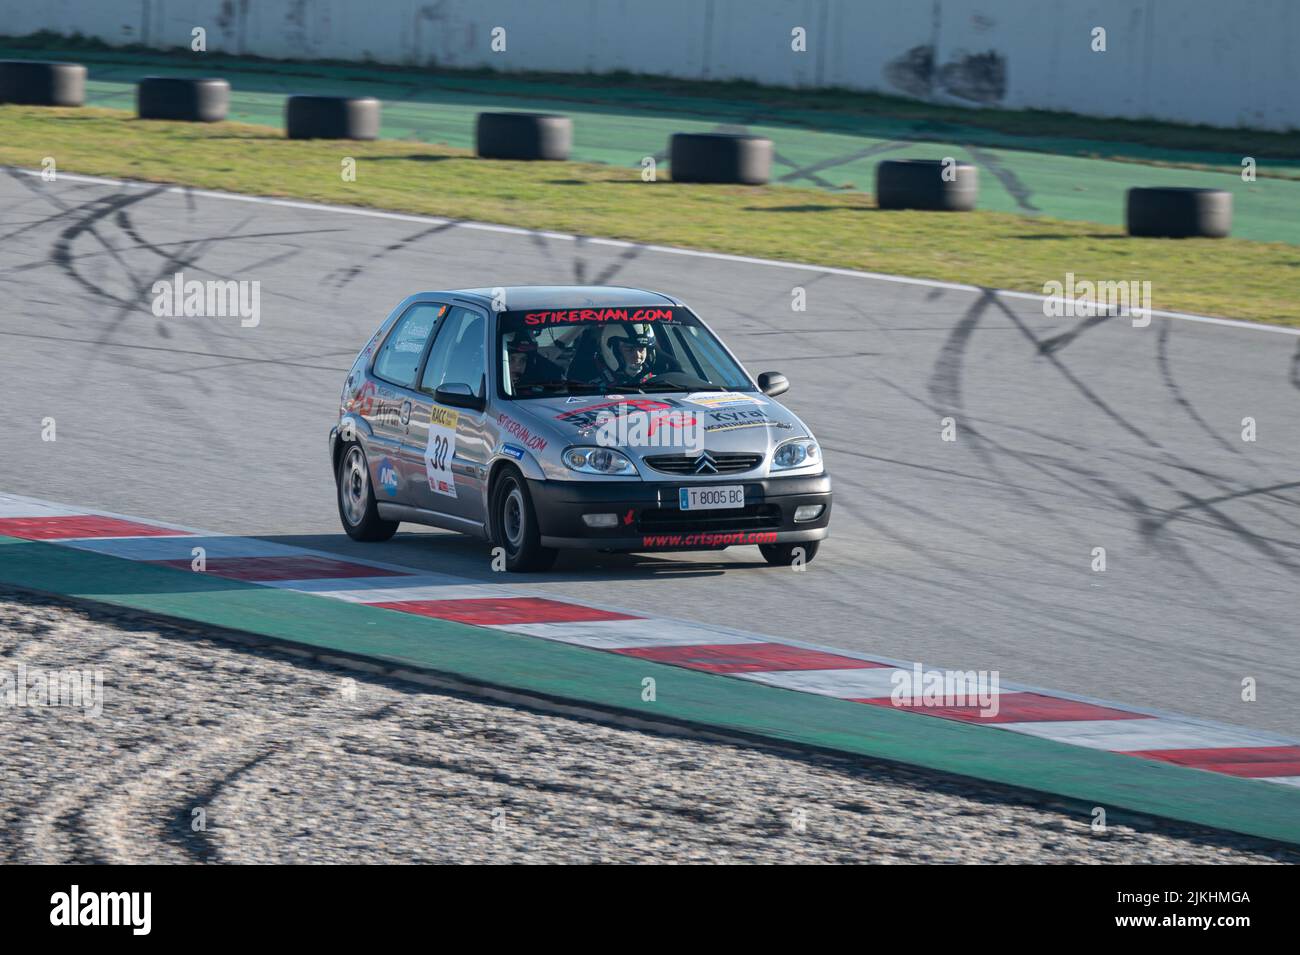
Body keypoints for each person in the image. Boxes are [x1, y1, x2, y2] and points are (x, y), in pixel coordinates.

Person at [505, 330, 564, 394]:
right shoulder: (493, 385)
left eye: (522, 360)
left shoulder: (534, 385)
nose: (518, 366)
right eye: (511, 360)